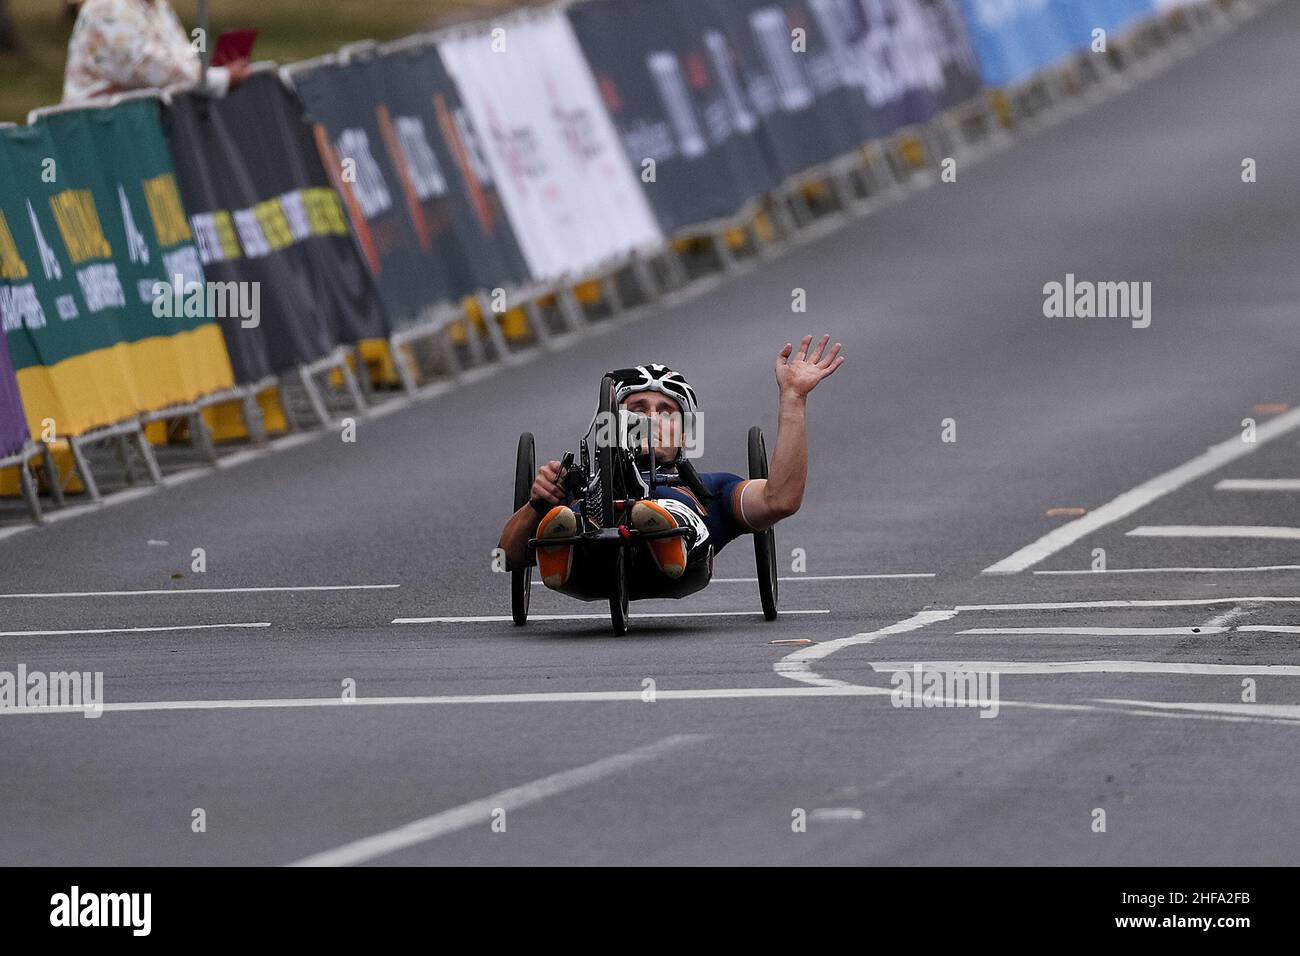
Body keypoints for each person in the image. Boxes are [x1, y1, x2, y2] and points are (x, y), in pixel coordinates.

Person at [497, 335, 844, 590]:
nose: (651, 419)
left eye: (665, 412)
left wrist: (793, 399)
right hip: (586, 567)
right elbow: (505, 559)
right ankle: (563, 544)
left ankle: (667, 528)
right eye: (637, 410)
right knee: (567, 515)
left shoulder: (712, 489)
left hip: (684, 560)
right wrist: (536, 503)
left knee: (674, 505)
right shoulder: (573, 482)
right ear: (609, 424)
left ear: (684, 433)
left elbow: (780, 500)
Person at [61, 0, 250, 104]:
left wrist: (213, 70)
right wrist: (220, 78)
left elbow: (181, 55)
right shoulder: (105, 7)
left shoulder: (156, 6)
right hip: (93, 135)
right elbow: (150, 67)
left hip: (136, 129)